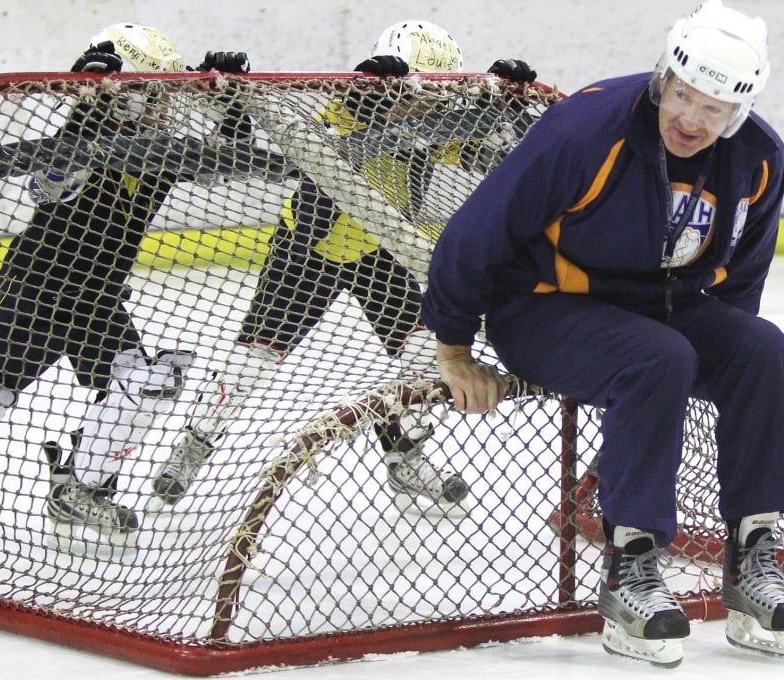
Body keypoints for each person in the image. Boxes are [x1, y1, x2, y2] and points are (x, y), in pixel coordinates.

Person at [421, 0, 784, 667]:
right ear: (664, 78)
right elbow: (476, 232)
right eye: (683, 96)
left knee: (760, 348)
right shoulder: (587, 128)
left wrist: (715, 368)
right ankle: (631, 569)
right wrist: (454, 347)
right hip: (543, 307)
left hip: (661, 306)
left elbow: (741, 279)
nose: (691, 119)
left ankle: (753, 559)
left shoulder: (758, 159)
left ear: (738, 112)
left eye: (713, 109)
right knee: (658, 358)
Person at [148, 19, 538, 517]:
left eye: (433, 97)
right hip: (309, 251)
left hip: (382, 253)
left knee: (427, 352)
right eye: (415, 93)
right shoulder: (352, 110)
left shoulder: (431, 122)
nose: (424, 106)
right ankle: (194, 446)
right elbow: (338, 118)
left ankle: (405, 458)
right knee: (251, 365)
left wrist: (501, 101)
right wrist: (368, 89)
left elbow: (489, 154)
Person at [0, 23, 254, 545]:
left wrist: (231, 103)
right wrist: (88, 103)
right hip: (32, 297)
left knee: (146, 386)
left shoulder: (159, 150)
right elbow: (50, 184)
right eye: (147, 94)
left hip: (98, 304)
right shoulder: (80, 137)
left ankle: (80, 492)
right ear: (117, 98)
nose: (160, 105)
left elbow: (231, 162)